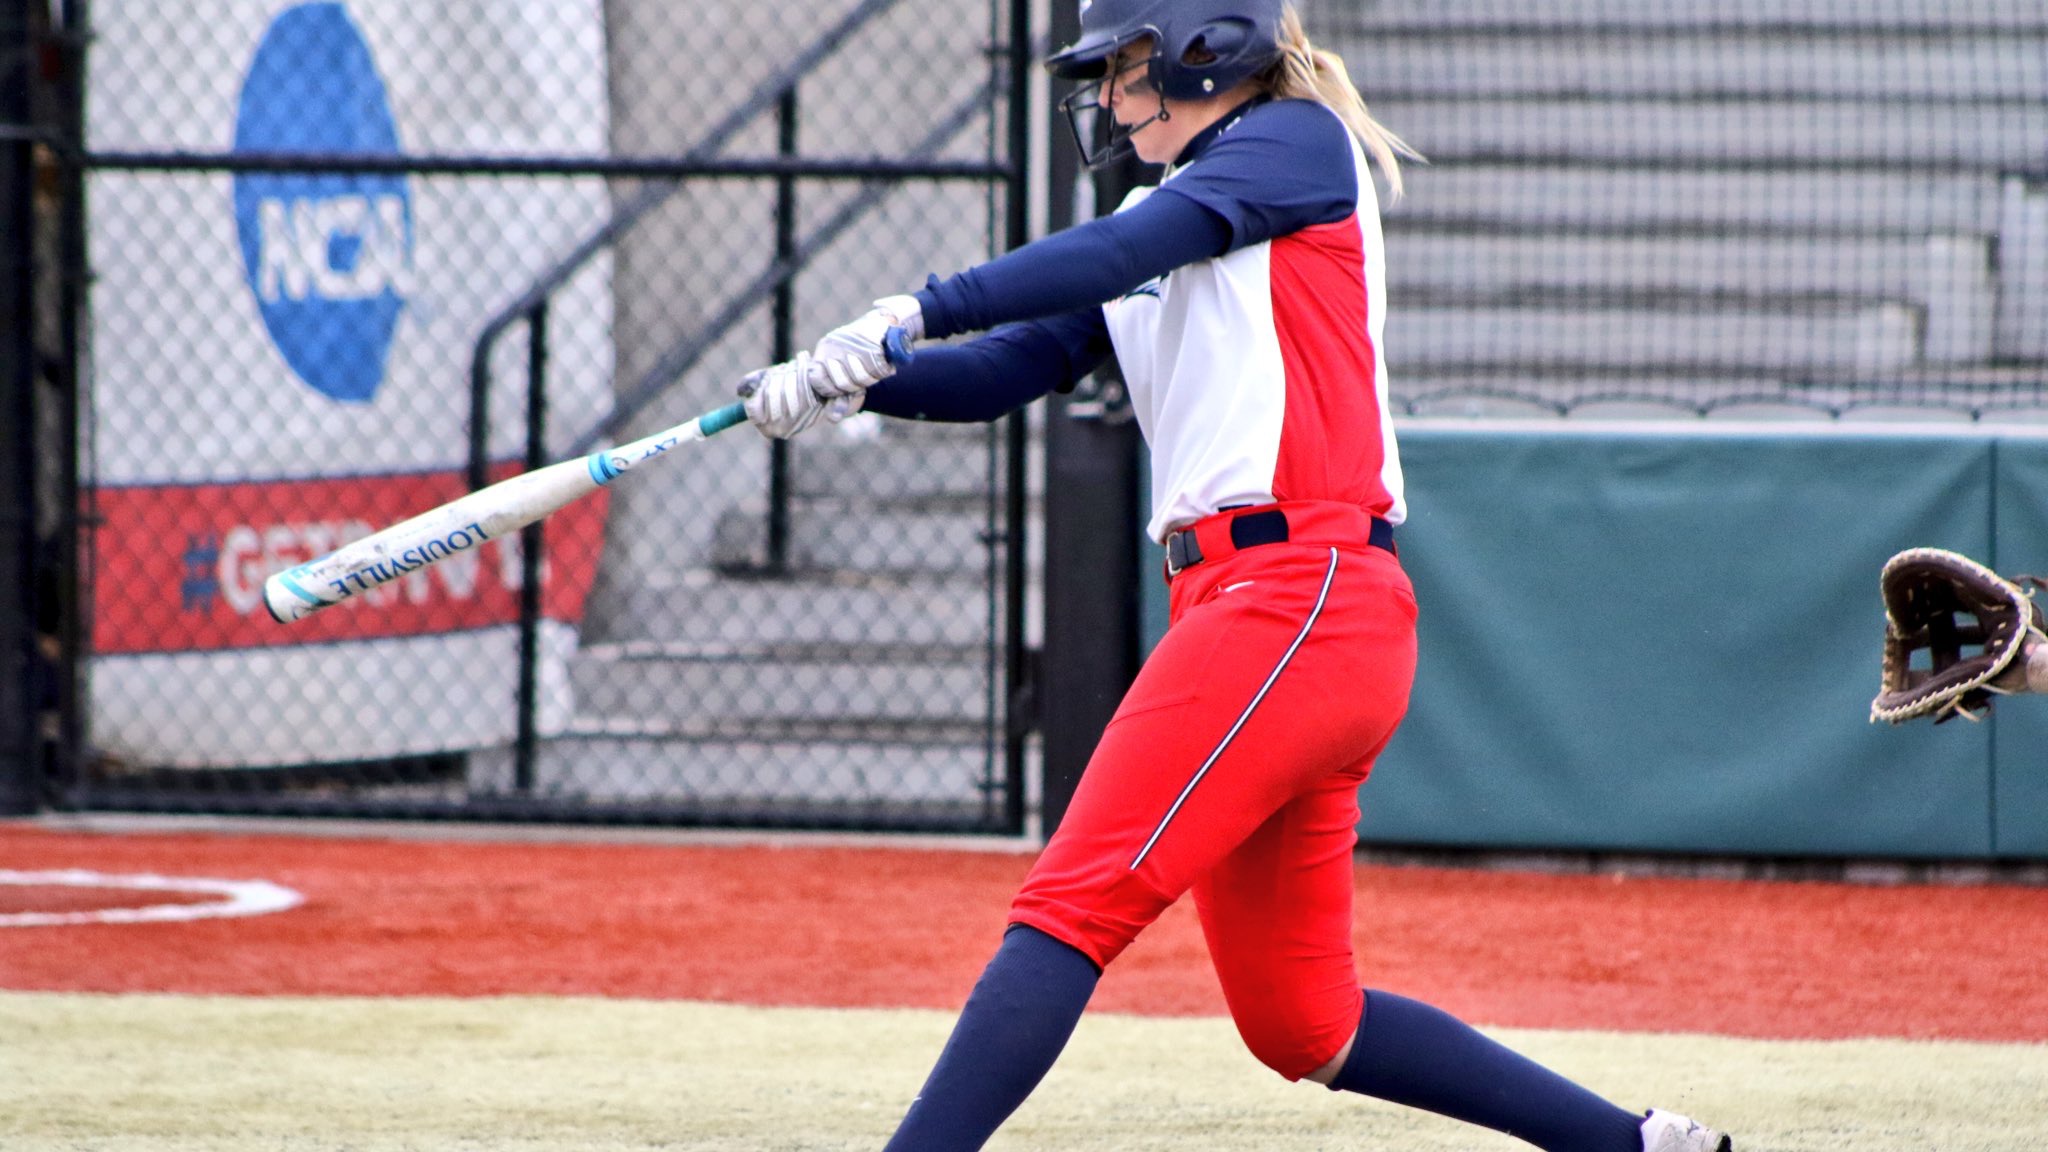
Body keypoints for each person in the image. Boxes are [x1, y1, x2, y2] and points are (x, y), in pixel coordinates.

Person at [739, 2, 1733, 1149]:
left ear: (1205, 51)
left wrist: (922, 305)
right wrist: (851, 385)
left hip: (1297, 593)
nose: (1108, 99)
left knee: (1068, 905)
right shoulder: (1151, 212)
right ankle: (1633, 1145)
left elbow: (1118, 256)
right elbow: (1014, 367)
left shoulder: (1290, 140)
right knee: (1304, 1025)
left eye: (1124, 68)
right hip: (1268, 610)